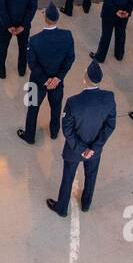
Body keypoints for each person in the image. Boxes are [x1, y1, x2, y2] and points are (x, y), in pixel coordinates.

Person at [46, 60, 116, 217]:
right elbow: (110, 126)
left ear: (85, 79)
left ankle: (62, 208)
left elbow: (67, 129)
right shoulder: (109, 98)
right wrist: (94, 148)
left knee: (68, 178)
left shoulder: (73, 102)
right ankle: (86, 204)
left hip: (74, 150)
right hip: (94, 152)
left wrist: (81, 149)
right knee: (91, 177)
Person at [18, 3, 74, 144]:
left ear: (45, 19)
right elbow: (70, 58)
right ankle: (54, 132)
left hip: (36, 81)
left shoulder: (35, 40)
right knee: (56, 107)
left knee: (32, 108)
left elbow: (32, 64)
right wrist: (57, 78)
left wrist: (45, 80)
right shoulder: (67, 36)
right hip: (57, 82)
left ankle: (29, 135)